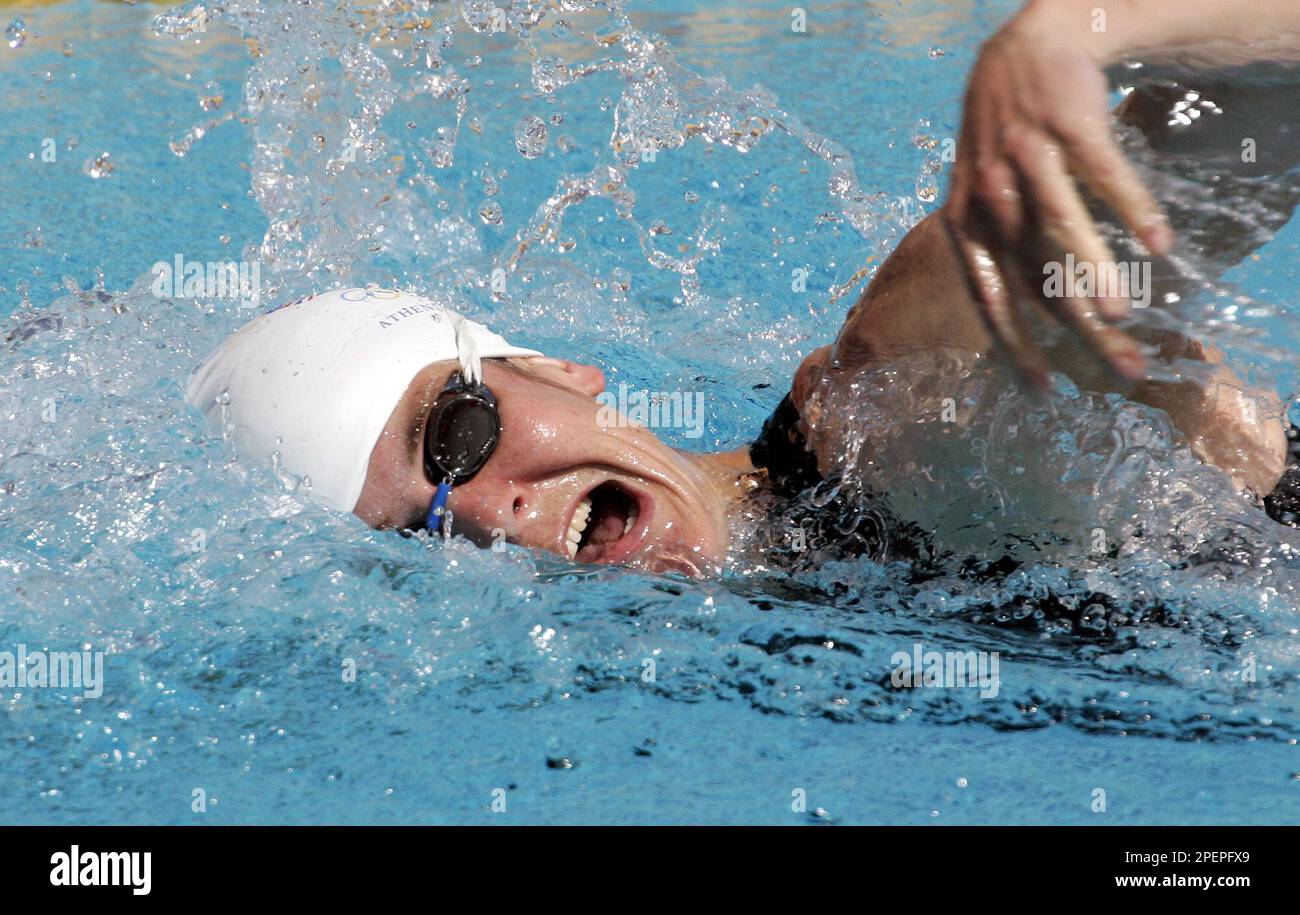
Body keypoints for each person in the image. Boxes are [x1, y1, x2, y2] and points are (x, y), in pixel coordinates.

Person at [186, 0, 1300, 580]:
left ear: (556, 370)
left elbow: (1275, 83)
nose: (485, 516)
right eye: (416, 539)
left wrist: (1083, 28)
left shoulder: (899, 409)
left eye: (457, 435)